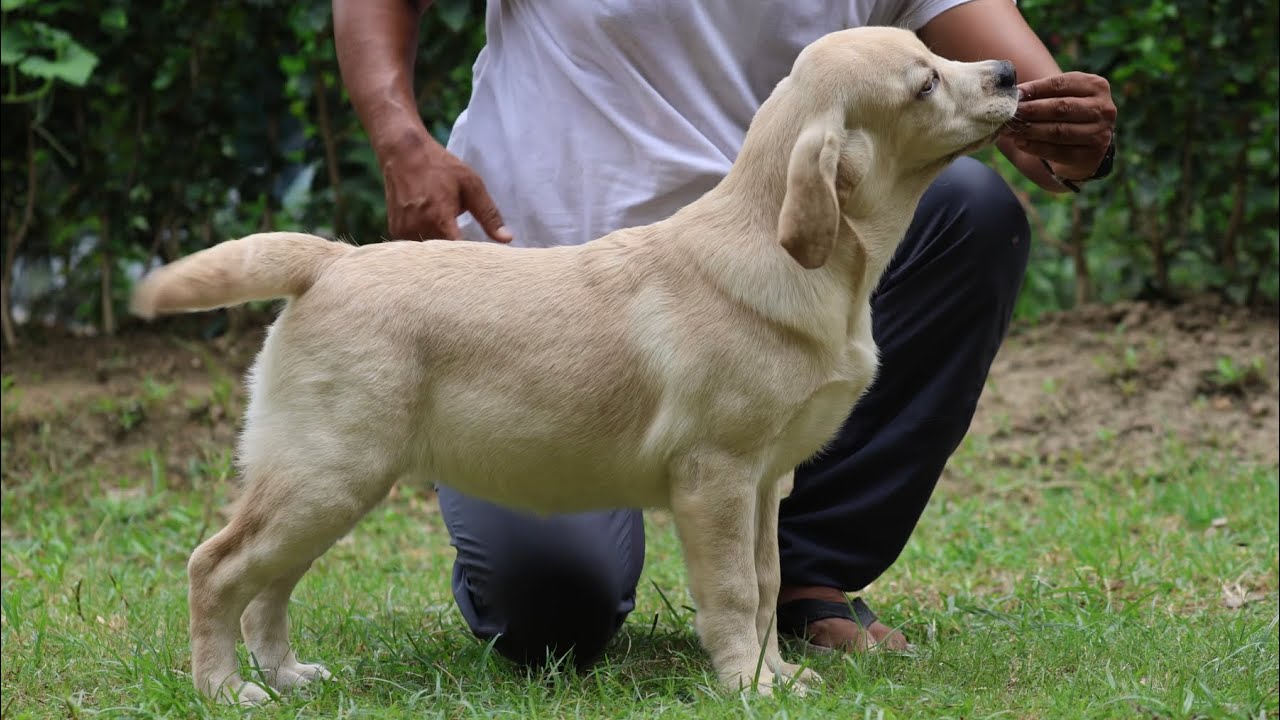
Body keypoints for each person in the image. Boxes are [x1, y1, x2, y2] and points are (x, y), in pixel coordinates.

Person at [332, 0, 1117, 666]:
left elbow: (1028, 92)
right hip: (538, 281)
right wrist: (403, 143)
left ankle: (807, 574)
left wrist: (1071, 133)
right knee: (555, 619)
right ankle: (556, 556)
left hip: (768, 251)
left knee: (971, 215)